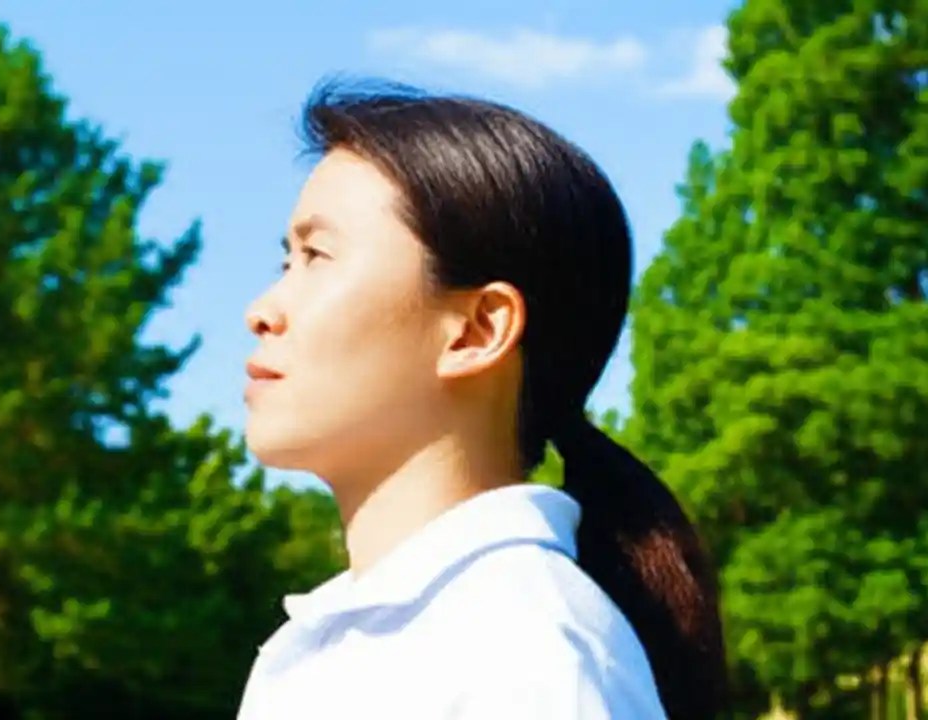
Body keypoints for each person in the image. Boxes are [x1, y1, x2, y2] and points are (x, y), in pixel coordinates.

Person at [236, 79, 728, 720]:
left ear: (477, 330)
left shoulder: (525, 659)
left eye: (317, 255)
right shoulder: (351, 641)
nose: (262, 311)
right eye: (285, 263)